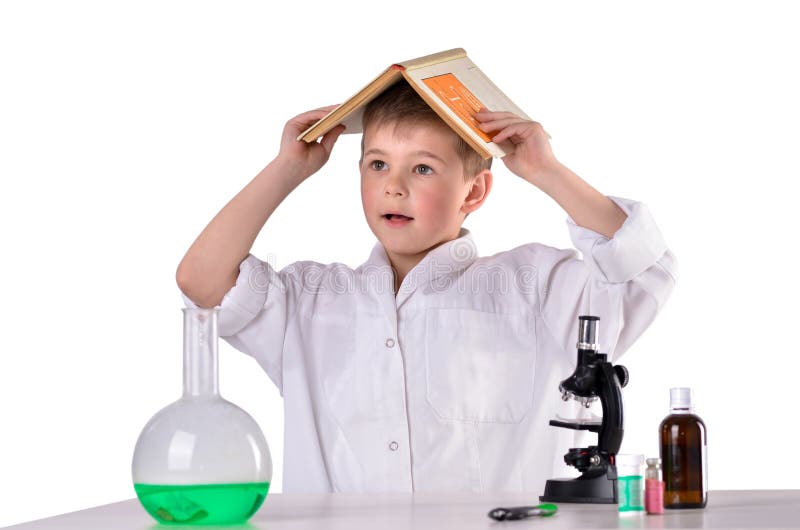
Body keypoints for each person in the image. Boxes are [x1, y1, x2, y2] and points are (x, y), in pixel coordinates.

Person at [177, 80, 677, 493]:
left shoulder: (536, 288)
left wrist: (546, 171)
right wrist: (286, 169)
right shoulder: (311, 301)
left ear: (475, 190)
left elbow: (643, 267)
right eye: (377, 164)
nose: (394, 185)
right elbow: (202, 283)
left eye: (422, 168)